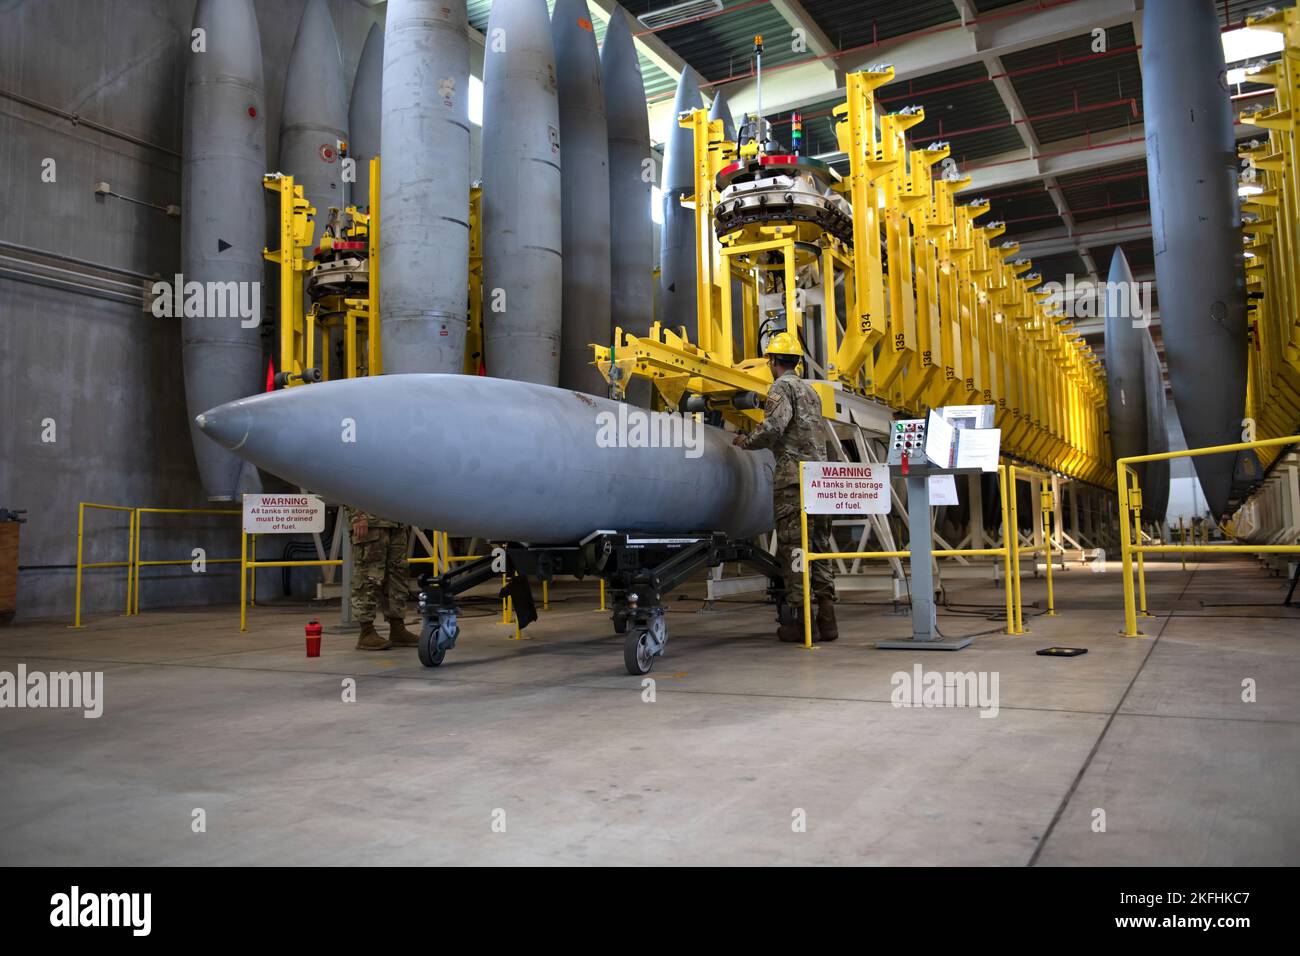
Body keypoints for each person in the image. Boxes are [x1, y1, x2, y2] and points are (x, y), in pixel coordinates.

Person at [734, 332, 837, 642]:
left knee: (795, 550)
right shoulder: (812, 392)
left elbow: (775, 427)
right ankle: (828, 620)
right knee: (819, 547)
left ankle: (801, 623)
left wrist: (746, 441)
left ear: (773, 362)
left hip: (793, 482)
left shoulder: (781, 387)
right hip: (818, 481)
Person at [348, 508, 417, 651]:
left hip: (397, 521)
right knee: (369, 576)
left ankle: (397, 628)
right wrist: (358, 515)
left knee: (397, 576)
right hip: (371, 522)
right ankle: (366, 632)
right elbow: (348, 486)